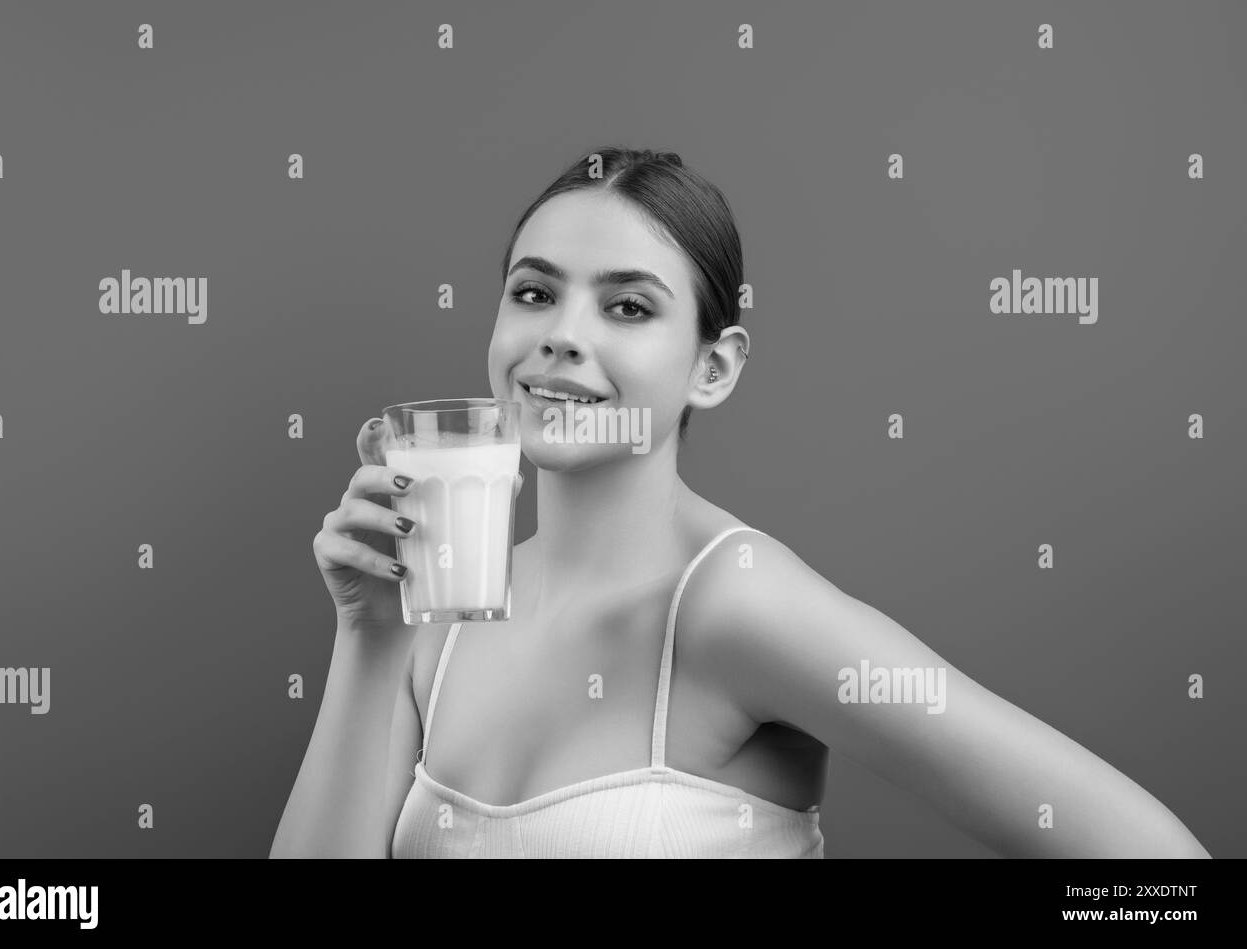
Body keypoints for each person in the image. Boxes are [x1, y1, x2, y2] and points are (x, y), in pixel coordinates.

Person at [271, 146, 1212, 859]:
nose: (560, 336)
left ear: (712, 368)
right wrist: (369, 637)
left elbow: (1155, 862)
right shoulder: (437, 610)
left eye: (628, 307)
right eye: (534, 292)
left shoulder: (739, 605)